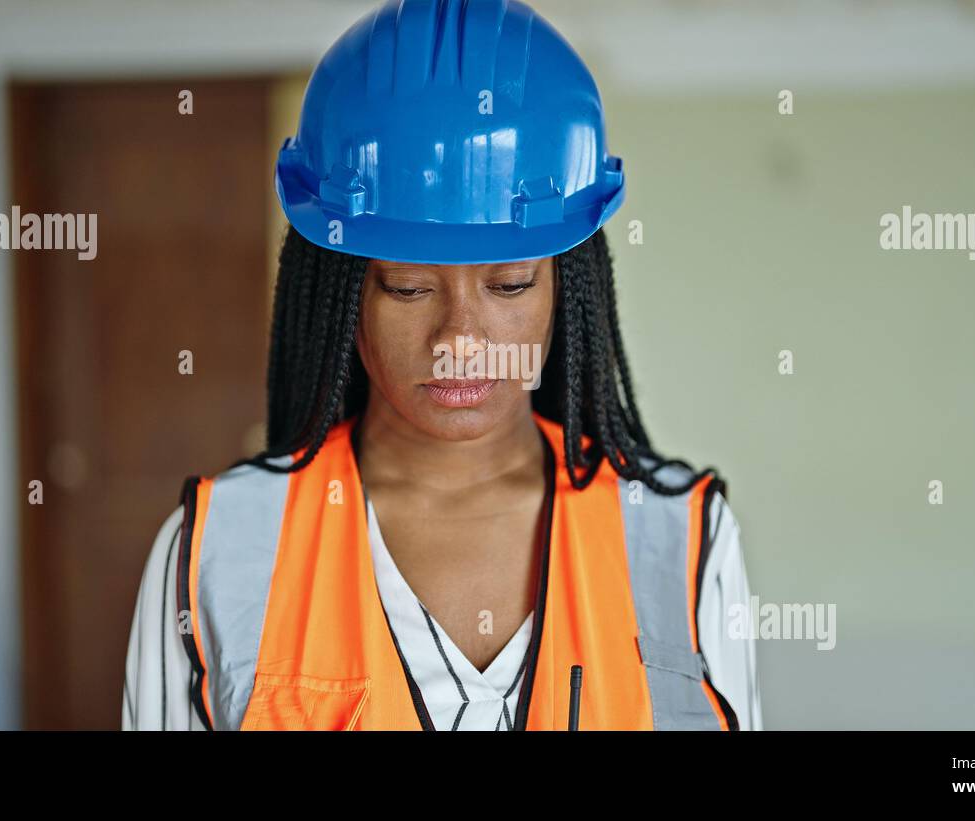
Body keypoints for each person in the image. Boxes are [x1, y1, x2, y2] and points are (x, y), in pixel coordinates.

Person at [124, 0, 761, 731]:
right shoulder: (216, 551)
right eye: (408, 286)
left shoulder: (680, 540)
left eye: (510, 283)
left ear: (568, 284)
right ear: (340, 294)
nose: (460, 338)